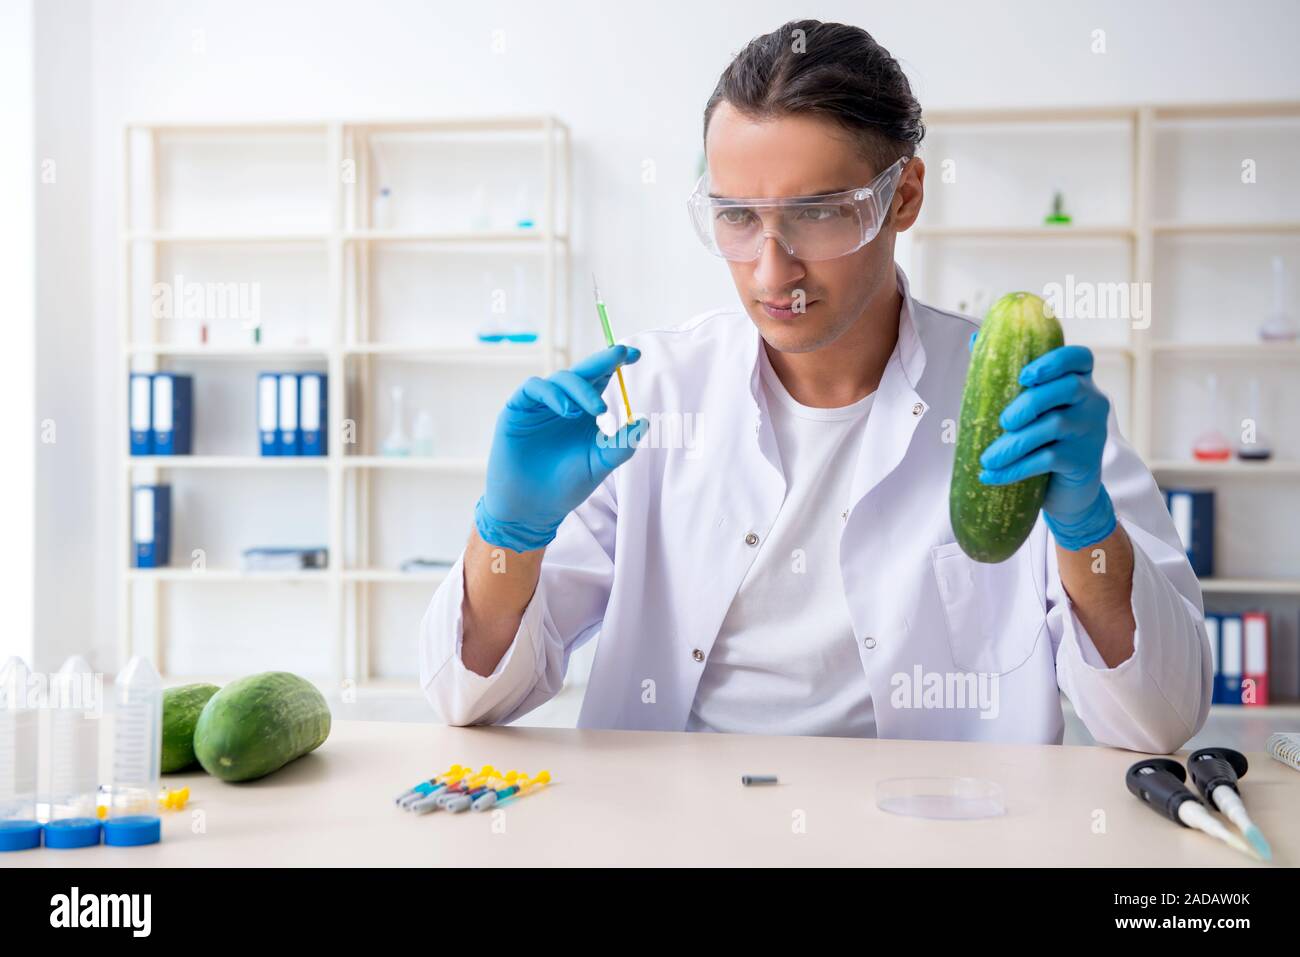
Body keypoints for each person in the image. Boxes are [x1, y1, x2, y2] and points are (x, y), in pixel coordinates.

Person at [418, 19, 1210, 752]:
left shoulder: (1025, 406)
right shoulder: (649, 395)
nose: (771, 270)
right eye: (735, 216)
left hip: (941, 834)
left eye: (818, 214)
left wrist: (1087, 538)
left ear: (902, 197)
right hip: (669, 830)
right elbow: (469, 696)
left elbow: (1160, 719)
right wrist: (507, 535)